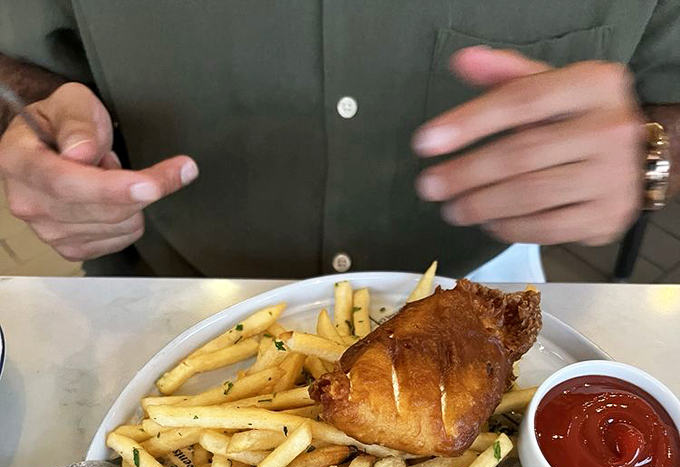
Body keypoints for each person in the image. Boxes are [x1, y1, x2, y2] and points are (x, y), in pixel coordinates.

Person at [0, 2, 677, 281]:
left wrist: (651, 157)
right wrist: (31, 132)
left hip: (487, 288)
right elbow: (16, 61)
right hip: (159, 285)